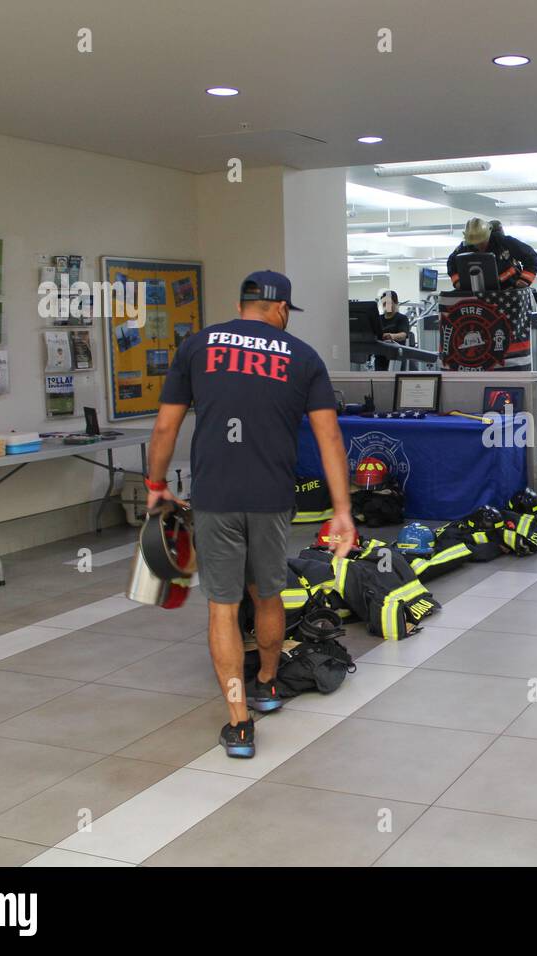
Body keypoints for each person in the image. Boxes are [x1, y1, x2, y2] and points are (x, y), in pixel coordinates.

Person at [146, 270, 356, 759]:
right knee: (267, 594)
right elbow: (330, 440)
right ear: (281, 308)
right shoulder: (303, 358)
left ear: (242, 303)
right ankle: (264, 683)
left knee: (222, 605)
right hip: (272, 498)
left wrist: (156, 486)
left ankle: (239, 722)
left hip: (215, 496)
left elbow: (164, 429)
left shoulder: (196, 347)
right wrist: (342, 510)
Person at [447, 217, 537, 290]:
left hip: (509, 288)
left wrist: (524, 280)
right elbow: (451, 262)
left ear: (488, 235)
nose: (479, 246)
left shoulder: (504, 242)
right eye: (475, 243)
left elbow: (531, 256)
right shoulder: (465, 246)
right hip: (476, 289)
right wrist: (457, 281)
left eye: (482, 242)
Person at [374, 289, 409, 371]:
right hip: (380, 358)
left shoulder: (402, 318)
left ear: (395, 303)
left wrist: (391, 336)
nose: (386, 306)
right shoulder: (378, 319)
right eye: (384, 303)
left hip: (396, 358)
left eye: (389, 303)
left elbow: (403, 335)